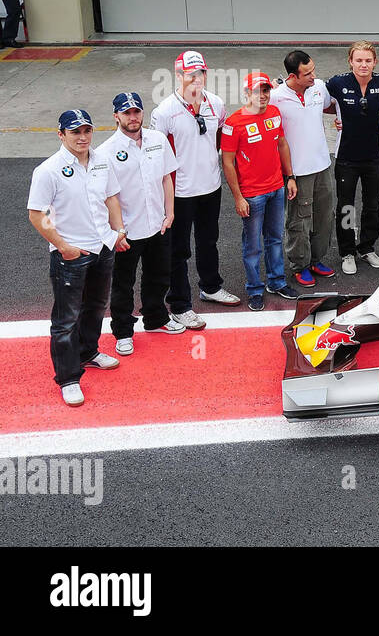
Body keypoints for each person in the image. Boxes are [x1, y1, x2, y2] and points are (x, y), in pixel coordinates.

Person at [27, 110, 129, 406]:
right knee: (66, 318)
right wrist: (63, 246)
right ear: (61, 135)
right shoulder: (48, 170)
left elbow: (111, 197)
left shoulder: (101, 161)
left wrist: (118, 231)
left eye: (86, 130)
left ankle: (88, 352)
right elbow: (37, 214)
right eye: (75, 132)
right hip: (71, 255)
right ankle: (68, 378)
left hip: (103, 247)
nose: (82, 137)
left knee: (96, 306)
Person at [151, 50, 240, 329]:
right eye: (189, 74)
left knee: (208, 240)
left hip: (210, 186)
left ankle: (210, 287)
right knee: (178, 250)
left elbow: (219, 139)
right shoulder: (164, 111)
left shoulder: (216, 103)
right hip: (180, 192)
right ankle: (179, 304)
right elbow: (155, 155)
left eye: (200, 73)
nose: (195, 79)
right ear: (178, 76)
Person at [102, 92, 185, 357]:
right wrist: (116, 231)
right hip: (127, 230)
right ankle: (123, 331)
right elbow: (106, 196)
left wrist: (170, 213)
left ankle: (156, 318)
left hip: (158, 224)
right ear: (116, 116)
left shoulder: (158, 140)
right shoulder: (105, 152)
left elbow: (166, 178)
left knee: (159, 276)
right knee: (122, 283)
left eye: (136, 112)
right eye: (126, 113)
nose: (133, 117)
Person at [219, 72, 299, 312]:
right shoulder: (233, 123)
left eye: (266, 90)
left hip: (276, 188)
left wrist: (290, 177)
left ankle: (276, 282)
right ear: (246, 94)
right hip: (252, 195)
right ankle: (254, 288)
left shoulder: (274, 113)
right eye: (257, 91)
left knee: (275, 239)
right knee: (253, 245)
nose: (262, 96)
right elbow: (228, 163)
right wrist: (238, 197)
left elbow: (282, 144)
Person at [270, 50, 336, 287]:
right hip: (297, 171)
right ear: (292, 76)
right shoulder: (276, 96)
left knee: (324, 217)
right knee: (299, 220)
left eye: (313, 70)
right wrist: (287, 175)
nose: (313, 76)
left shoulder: (319, 87)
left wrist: (339, 117)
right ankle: (300, 265)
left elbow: (330, 106)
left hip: (323, 165)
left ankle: (317, 259)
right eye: (307, 73)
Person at [326, 40, 379, 273]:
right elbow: (318, 96)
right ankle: (347, 252)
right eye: (359, 60)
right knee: (347, 207)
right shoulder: (337, 83)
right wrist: (337, 113)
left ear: (375, 62)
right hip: (346, 159)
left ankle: (367, 247)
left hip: (374, 158)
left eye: (368, 60)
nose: (363, 65)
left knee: (372, 206)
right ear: (350, 61)